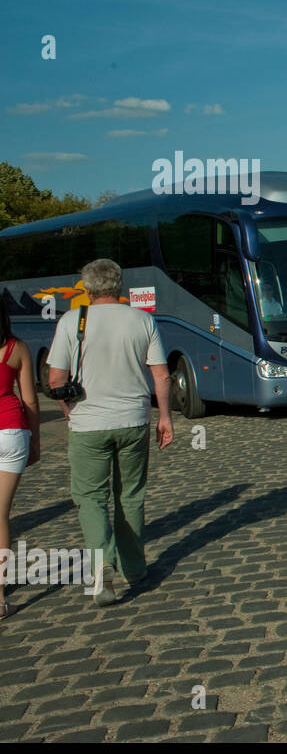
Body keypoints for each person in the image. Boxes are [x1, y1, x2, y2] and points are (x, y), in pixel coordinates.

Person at [46, 259, 174, 606]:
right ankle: (134, 567)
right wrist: (165, 417)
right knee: (130, 495)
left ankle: (102, 566)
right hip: (133, 419)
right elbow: (161, 375)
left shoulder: (72, 320)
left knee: (90, 498)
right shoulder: (142, 319)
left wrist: (70, 414)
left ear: (86, 288)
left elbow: (56, 380)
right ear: (120, 286)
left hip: (88, 423)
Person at [0, 305, 41, 619]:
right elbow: (30, 398)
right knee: (0, 515)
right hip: (12, 431)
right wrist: (36, 442)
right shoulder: (17, 348)